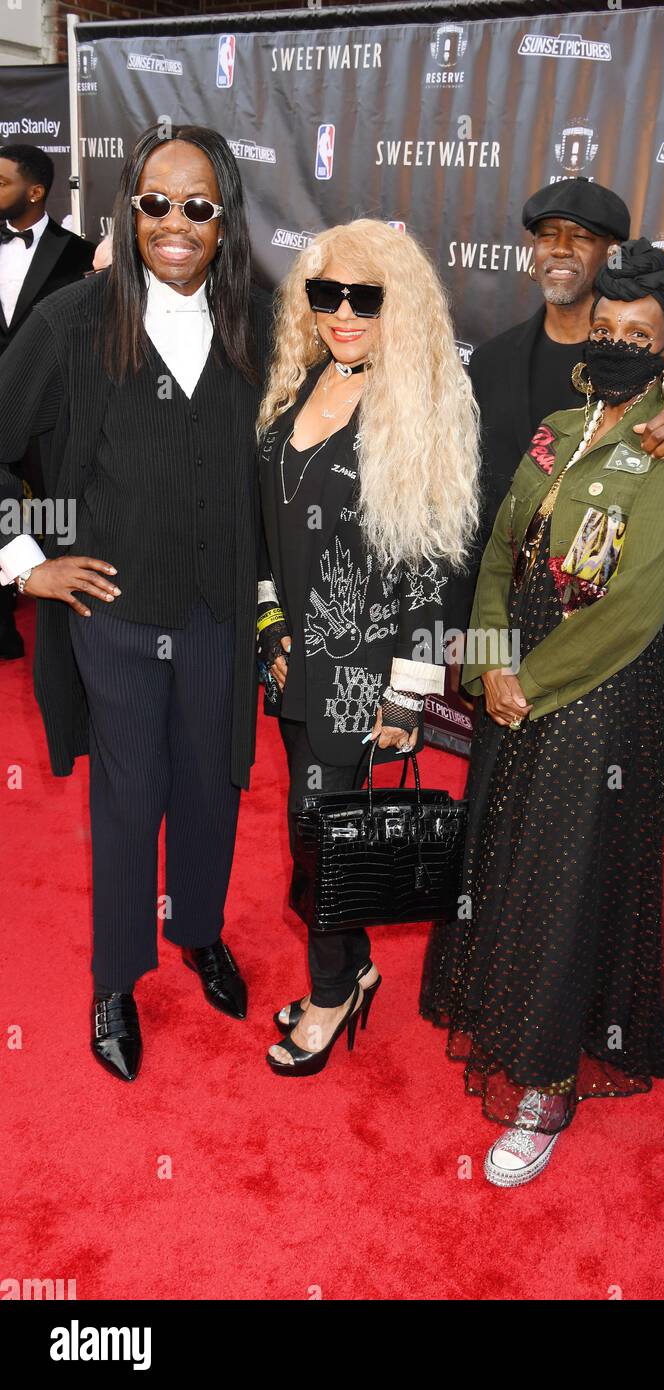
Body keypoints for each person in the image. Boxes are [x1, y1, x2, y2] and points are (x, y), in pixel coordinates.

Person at [420, 239, 664, 1186]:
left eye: (641, 334)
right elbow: (501, 550)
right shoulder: (552, 425)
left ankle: (545, 1087)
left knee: (564, 874)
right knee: (507, 856)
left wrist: (529, 682)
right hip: (516, 678)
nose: (620, 343)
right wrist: (490, 661)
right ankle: (510, 1023)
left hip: (596, 694)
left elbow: (638, 603)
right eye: (606, 329)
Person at [0, 124, 273, 1082]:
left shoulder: (265, 322)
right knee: (128, 798)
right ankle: (116, 978)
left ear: (224, 218)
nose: (172, 222)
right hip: (111, 615)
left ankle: (199, 931)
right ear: (130, 206)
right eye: (154, 202)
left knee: (213, 781)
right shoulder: (72, 321)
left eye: (197, 206)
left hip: (221, 617)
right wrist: (26, 561)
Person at [256, 219, 479, 1076]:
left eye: (364, 297)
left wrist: (410, 693)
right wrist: (270, 627)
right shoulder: (298, 383)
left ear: (401, 305)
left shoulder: (420, 402)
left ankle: (328, 995)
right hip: (289, 661)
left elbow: (439, 567)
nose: (342, 313)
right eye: (325, 294)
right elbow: (267, 534)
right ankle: (350, 969)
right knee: (317, 828)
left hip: (363, 677)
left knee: (319, 833)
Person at [447, 179, 664, 632]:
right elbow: (476, 520)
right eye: (547, 235)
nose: (560, 249)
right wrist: (483, 659)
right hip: (493, 622)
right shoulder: (490, 361)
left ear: (613, 254)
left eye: (580, 237)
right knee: (498, 699)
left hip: (600, 636)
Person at [0, 144, 94, 659]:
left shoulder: (79, 253)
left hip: (47, 412)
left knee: (47, 511)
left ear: (34, 191)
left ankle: (55, 615)